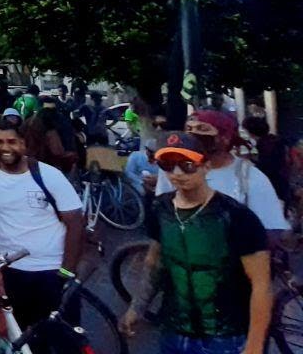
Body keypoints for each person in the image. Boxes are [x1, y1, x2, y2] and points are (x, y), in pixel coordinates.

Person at [120, 132, 271, 354]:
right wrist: (137, 307)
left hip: (226, 338)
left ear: (206, 166)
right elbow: (155, 262)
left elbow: (262, 286)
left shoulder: (237, 217)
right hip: (174, 333)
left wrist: (255, 345)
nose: (177, 173)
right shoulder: (160, 209)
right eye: (168, 165)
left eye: (187, 165)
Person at [0, 114, 84, 345]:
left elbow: (75, 223)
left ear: (24, 144)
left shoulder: (49, 175)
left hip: (51, 271)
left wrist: (67, 272)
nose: (5, 148)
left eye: (12, 142)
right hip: (12, 272)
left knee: (66, 341)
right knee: (25, 339)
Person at [155, 109, 289, 241]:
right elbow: (162, 217)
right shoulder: (171, 168)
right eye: (188, 129)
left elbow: (271, 231)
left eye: (202, 129)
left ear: (225, 138)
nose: (193, 135)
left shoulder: (250, 177)